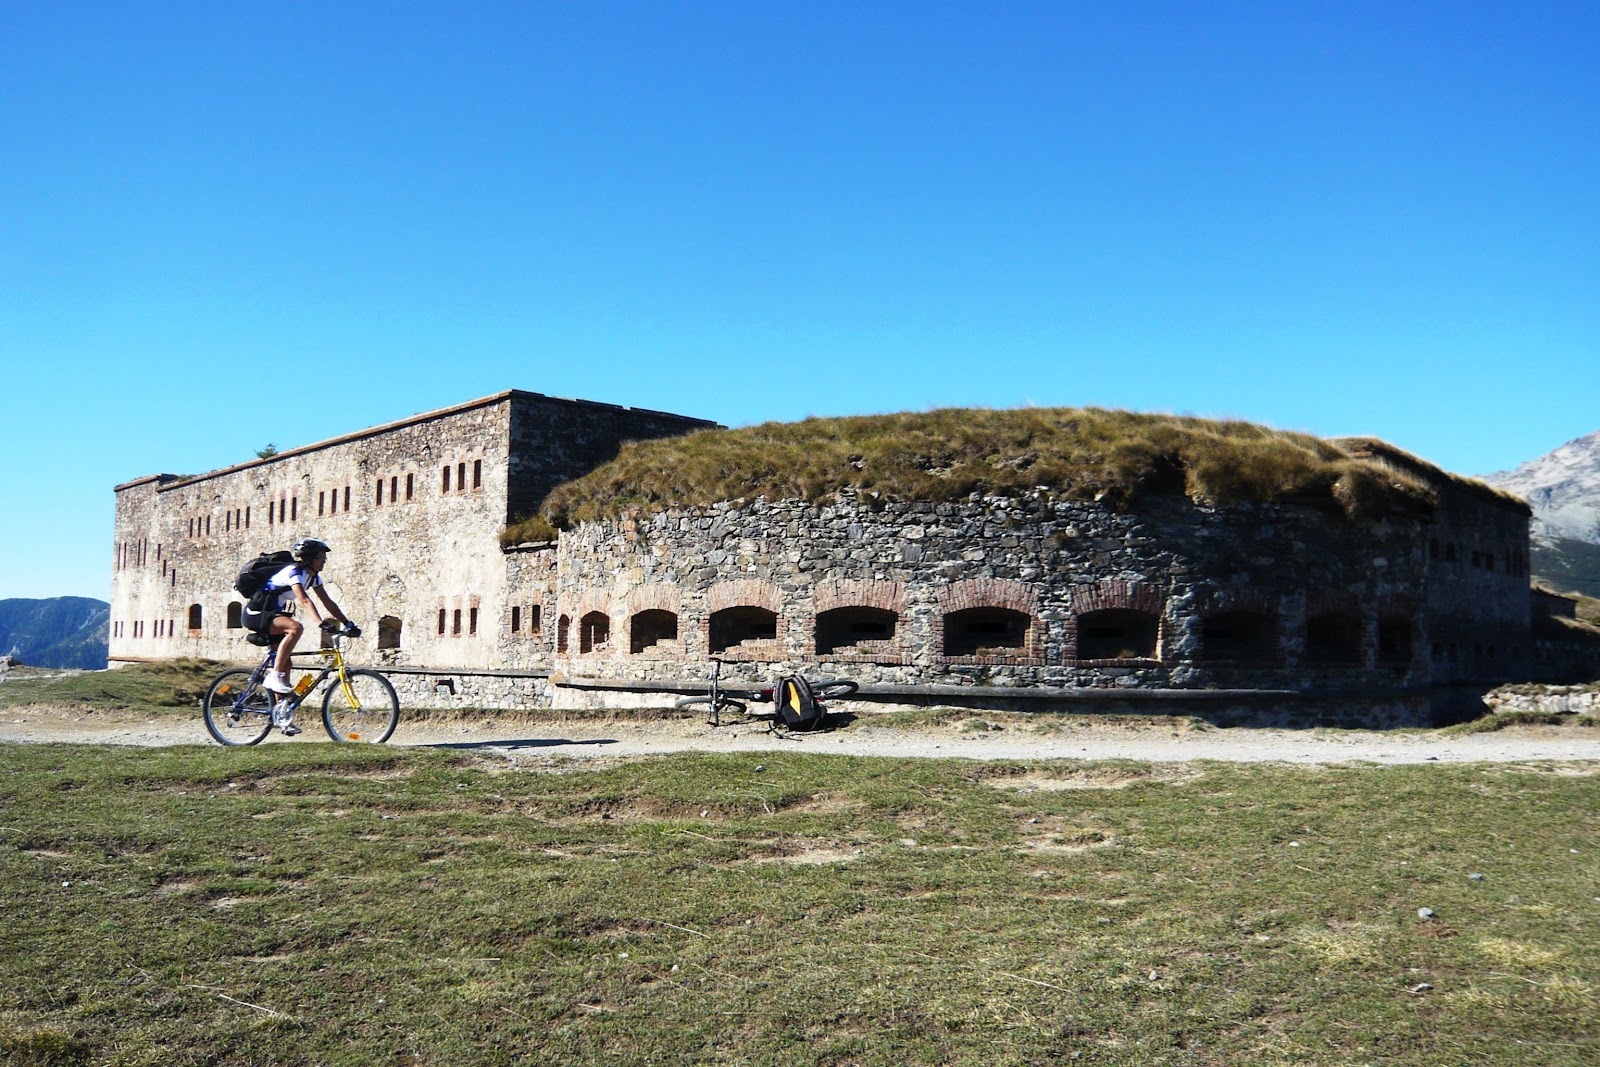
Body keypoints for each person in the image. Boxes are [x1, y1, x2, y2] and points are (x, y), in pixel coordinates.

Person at [242, 536, 359, 734]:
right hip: (256, 614)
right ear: (309, 558)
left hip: (272, 616)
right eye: (321, 557)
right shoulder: (294, 571)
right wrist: (320, 623)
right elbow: (304, 600)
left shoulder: (313, 577)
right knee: (296, 628)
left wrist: (348, 623)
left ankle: (281, 717)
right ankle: (274, 675)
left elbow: (328, 602)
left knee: (287, 664)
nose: (324, 561)